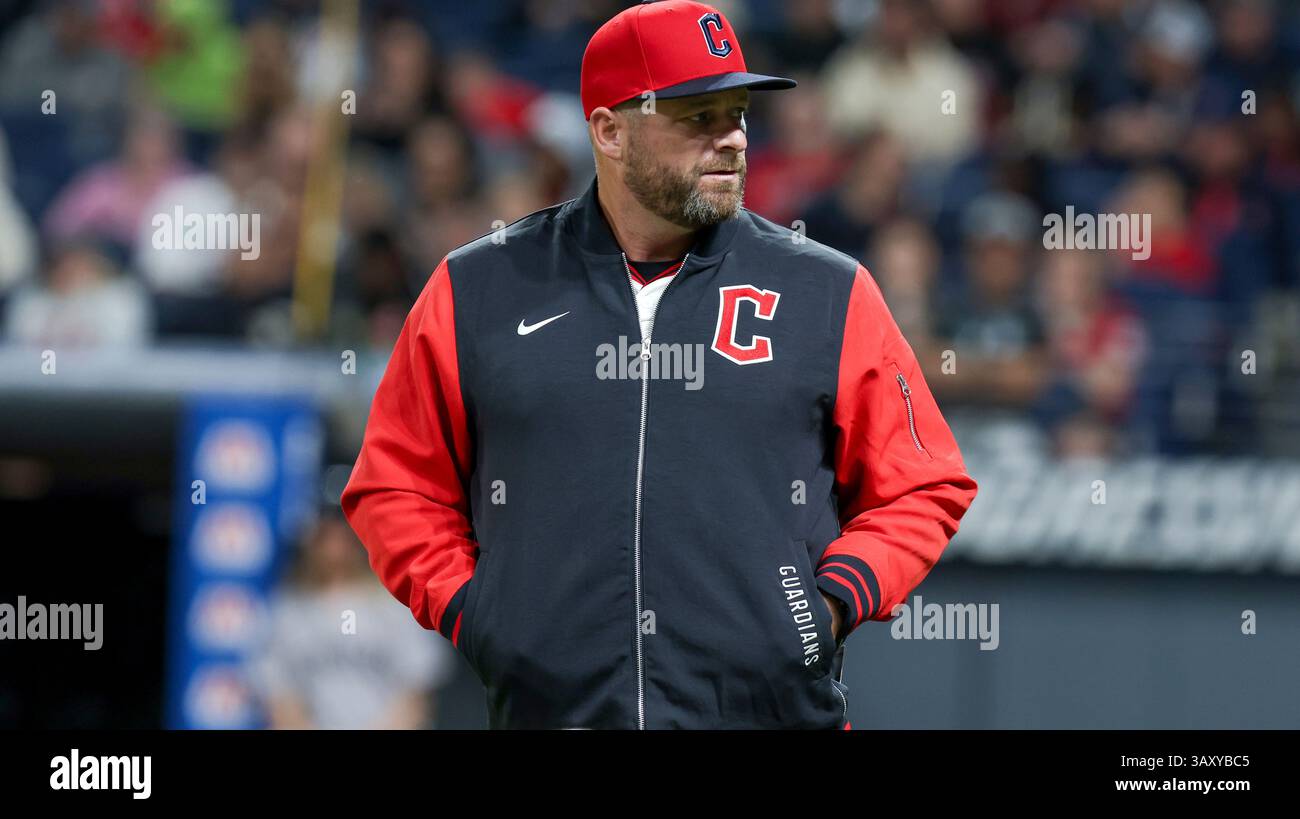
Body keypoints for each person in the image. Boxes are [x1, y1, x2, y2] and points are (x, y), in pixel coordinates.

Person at [342, 0, 978, 730]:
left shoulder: (827, 289)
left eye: (737, 113)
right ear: (610, 131)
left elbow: (926, 484)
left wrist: (826, 608)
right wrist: (482, 613)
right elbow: (395, 485)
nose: (733, 139)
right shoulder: (478, 287)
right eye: (697, 117)